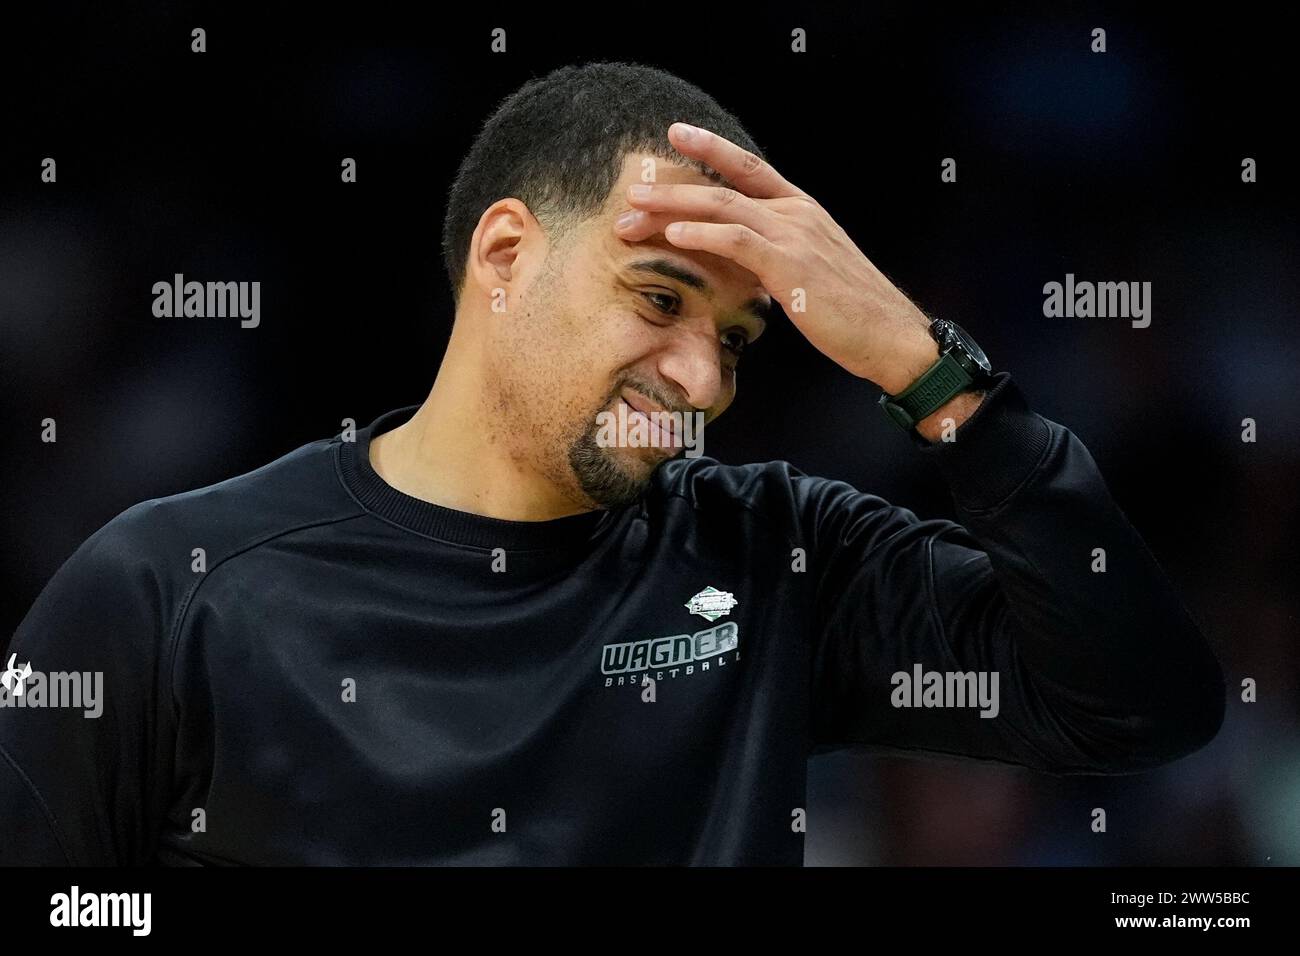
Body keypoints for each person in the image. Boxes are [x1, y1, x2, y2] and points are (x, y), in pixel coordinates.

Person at [0, 61, 1224, 866]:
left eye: (738, 340)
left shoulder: (784, 557)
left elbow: (1138, 702)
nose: (702, 379)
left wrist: (933, 376)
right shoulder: (168, 585)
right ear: (504, 253)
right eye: (659, 296)